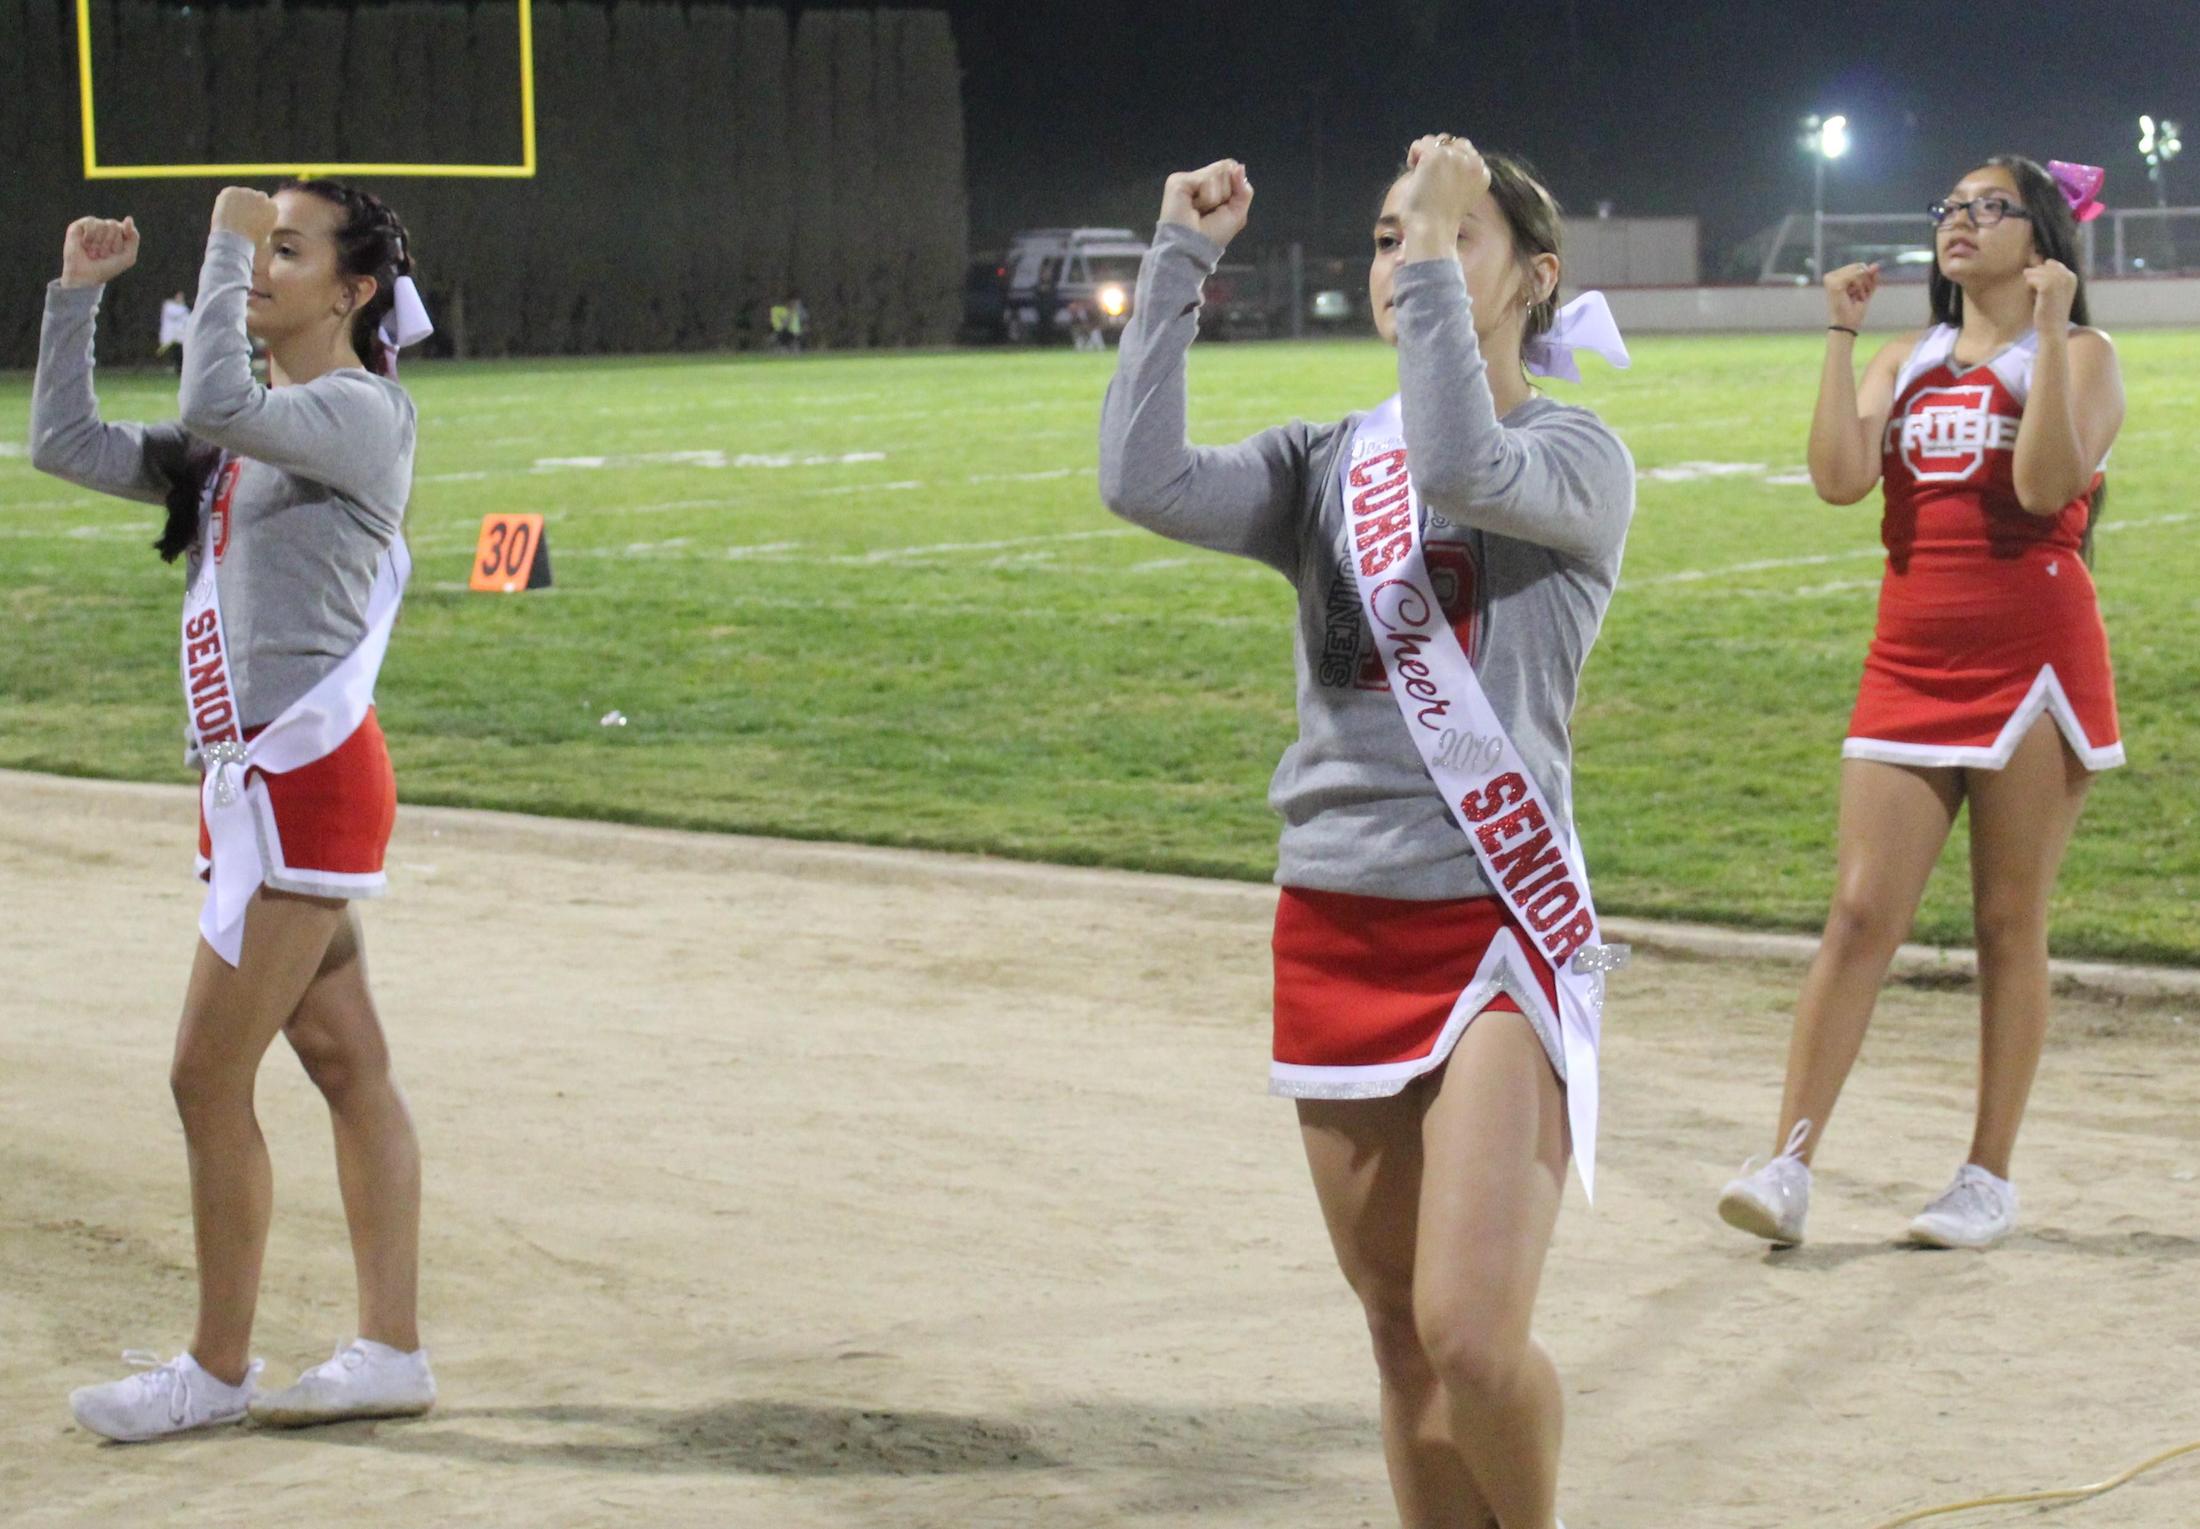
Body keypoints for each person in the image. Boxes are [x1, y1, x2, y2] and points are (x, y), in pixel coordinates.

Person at [1099, 134, 1634, 1529]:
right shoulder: (1324, 461)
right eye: (1393, 238)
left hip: (1496, 924)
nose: (1408, 261)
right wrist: (1178, 258)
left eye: (1449, 233)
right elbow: (1141, 480)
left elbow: (1457, 460)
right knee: (1401, 1339)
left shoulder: (1577, 457)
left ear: (1534, 277)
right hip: (1336, 918)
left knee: (1471, 1334)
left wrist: (1441, 253)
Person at [30, 177, 439, 1440]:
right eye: (258, 247)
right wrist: (75, 297)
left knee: (204, 1075)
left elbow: (214, 398)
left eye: (285, 249)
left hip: (300, 783)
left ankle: (215, 1368)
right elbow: (65, 443)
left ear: (353, 290)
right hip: (257, 791)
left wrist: (218, 239)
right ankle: (390, 1351)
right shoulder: (249, 437)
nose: (261, 267)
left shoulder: (361, 412)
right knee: (346, 1061)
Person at [1717, 157, 2124, 1252]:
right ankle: (1786, 1162)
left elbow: (2044, 486)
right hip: (1909, 657)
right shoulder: (1908, 356)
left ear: (2041, 237)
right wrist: (1841, 337)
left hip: (2033, 660)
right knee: (1859, 913)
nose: (1961, 221)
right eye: (1950, 206)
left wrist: (2050, 330)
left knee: (2006, 921)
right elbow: (1838, 478)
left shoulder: (2083, 354)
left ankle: (1987, 1177)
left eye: (1990, 207)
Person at [158, 290, 190, 373]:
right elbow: (175, 314)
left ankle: (179, 368)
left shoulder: (183, 308)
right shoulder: (169, 306)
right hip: (171, 335)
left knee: (179, 352)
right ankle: (170, 366)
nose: (180, 298)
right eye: (179, 296)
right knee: (170, 351)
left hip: (179, 335)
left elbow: (187, 319)